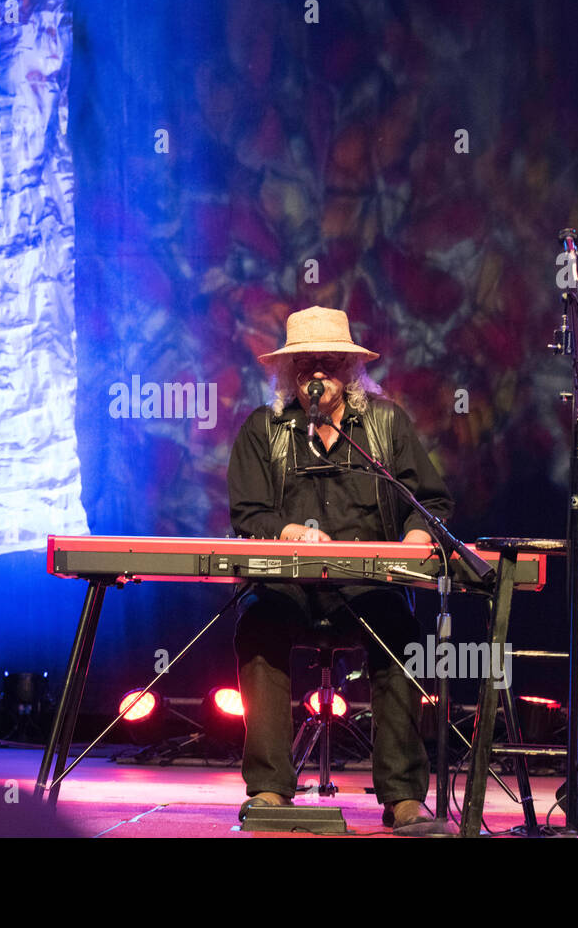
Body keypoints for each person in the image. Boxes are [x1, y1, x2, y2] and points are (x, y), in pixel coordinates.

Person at [227, 305, 453, 832]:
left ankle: (402, 800)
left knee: (398, 629)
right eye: (305, 366)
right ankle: (268, 790)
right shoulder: (264, 429)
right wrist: (290, 534)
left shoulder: (385, 424)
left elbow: (431, 503)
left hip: (367, 587)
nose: (317, 375)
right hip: (290, 588)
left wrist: (417, 535)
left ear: (350, 370)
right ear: (288, 374)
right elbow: (248, 513)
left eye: (328, 363)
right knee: (257, 627)